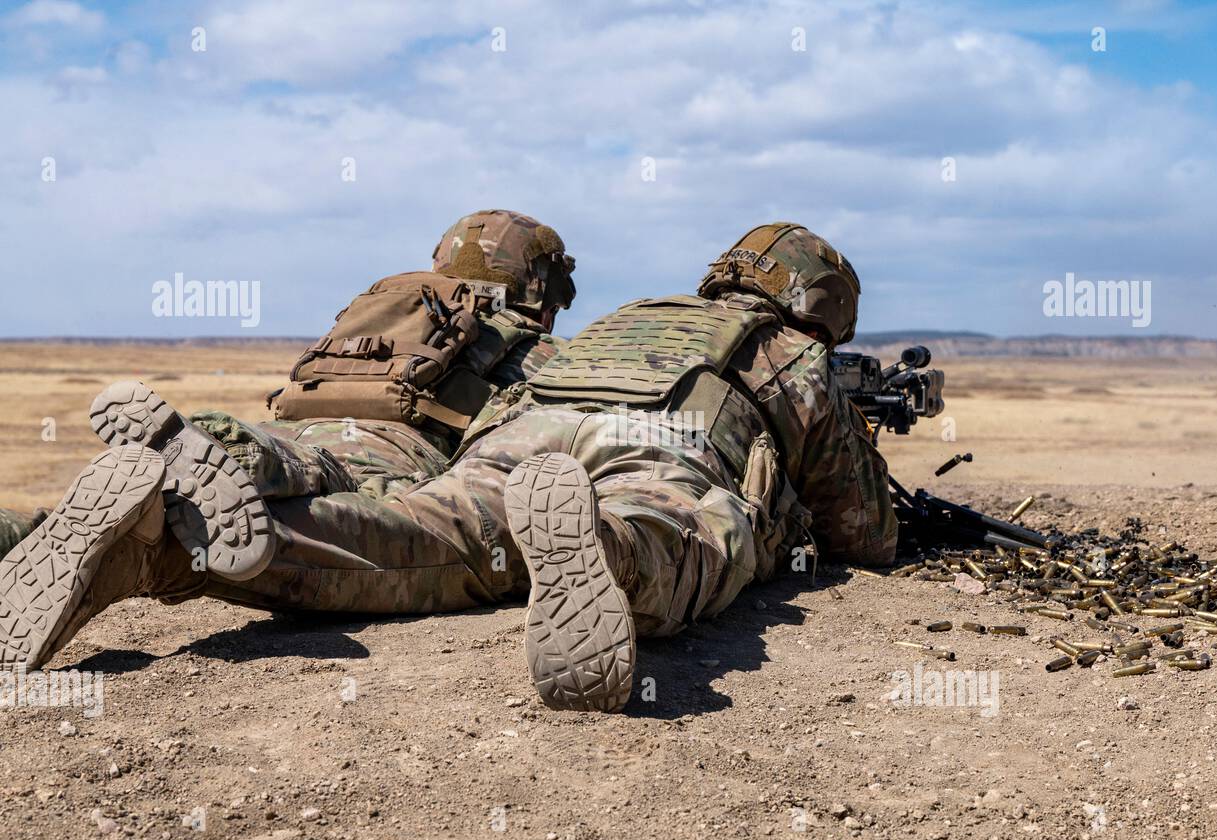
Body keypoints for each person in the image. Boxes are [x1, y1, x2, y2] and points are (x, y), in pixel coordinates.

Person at [0, 222, 896, 716]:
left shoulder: (625, 316)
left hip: (516, 442)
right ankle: (609, 548)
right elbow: (860, 528)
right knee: (692, 530)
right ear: (821, 305)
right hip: (656, 449)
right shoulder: (792, 355)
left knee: (415, 538)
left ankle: (164, 545)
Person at [0, 209, 574, 561]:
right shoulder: (530, 346)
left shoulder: (404, 309)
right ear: (537, 285)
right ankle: (238, 467)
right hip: (397, 449)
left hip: (300, 422)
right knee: (331, 506)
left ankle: (24, 531)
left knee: (248, 473)